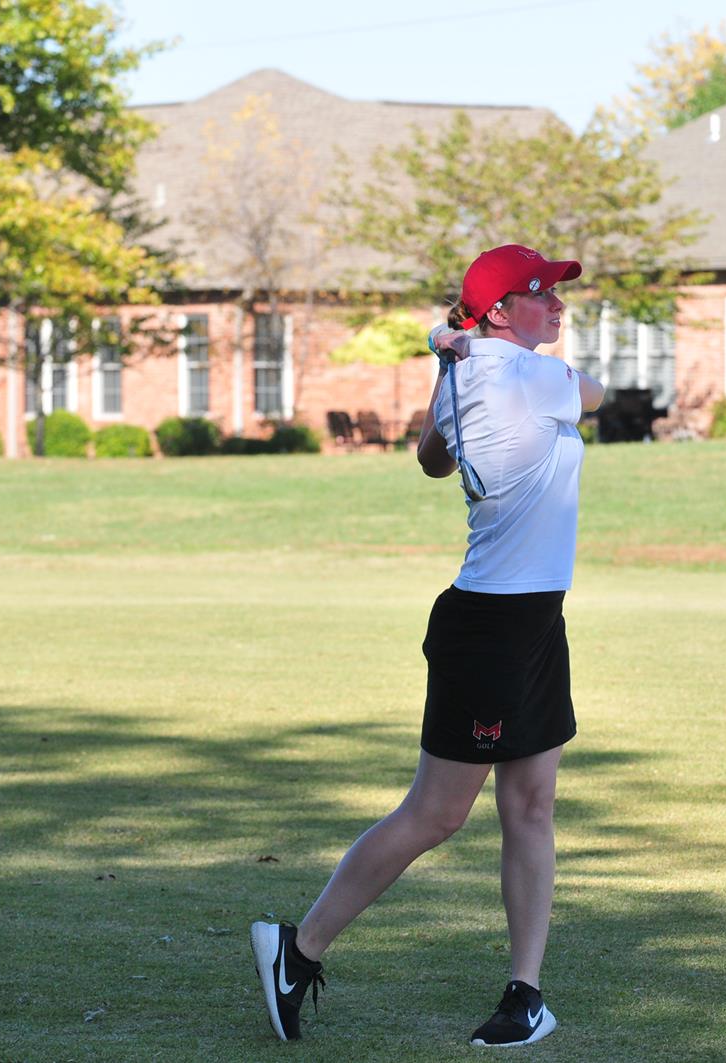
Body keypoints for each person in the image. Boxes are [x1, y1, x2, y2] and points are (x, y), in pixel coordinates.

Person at [250, 244, 605, 1048]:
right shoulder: (530, 376)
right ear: (499, 311)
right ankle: (299, 952)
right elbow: (597, 391)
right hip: (492, 628)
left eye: (557, 294)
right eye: (540, 294)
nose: (557, 306)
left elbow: (431, 460)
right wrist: (465, 355)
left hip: (531, 618)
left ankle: (525, 993)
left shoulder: (470, 373)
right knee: (437, 813)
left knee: (531, 806)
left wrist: (454, 359)